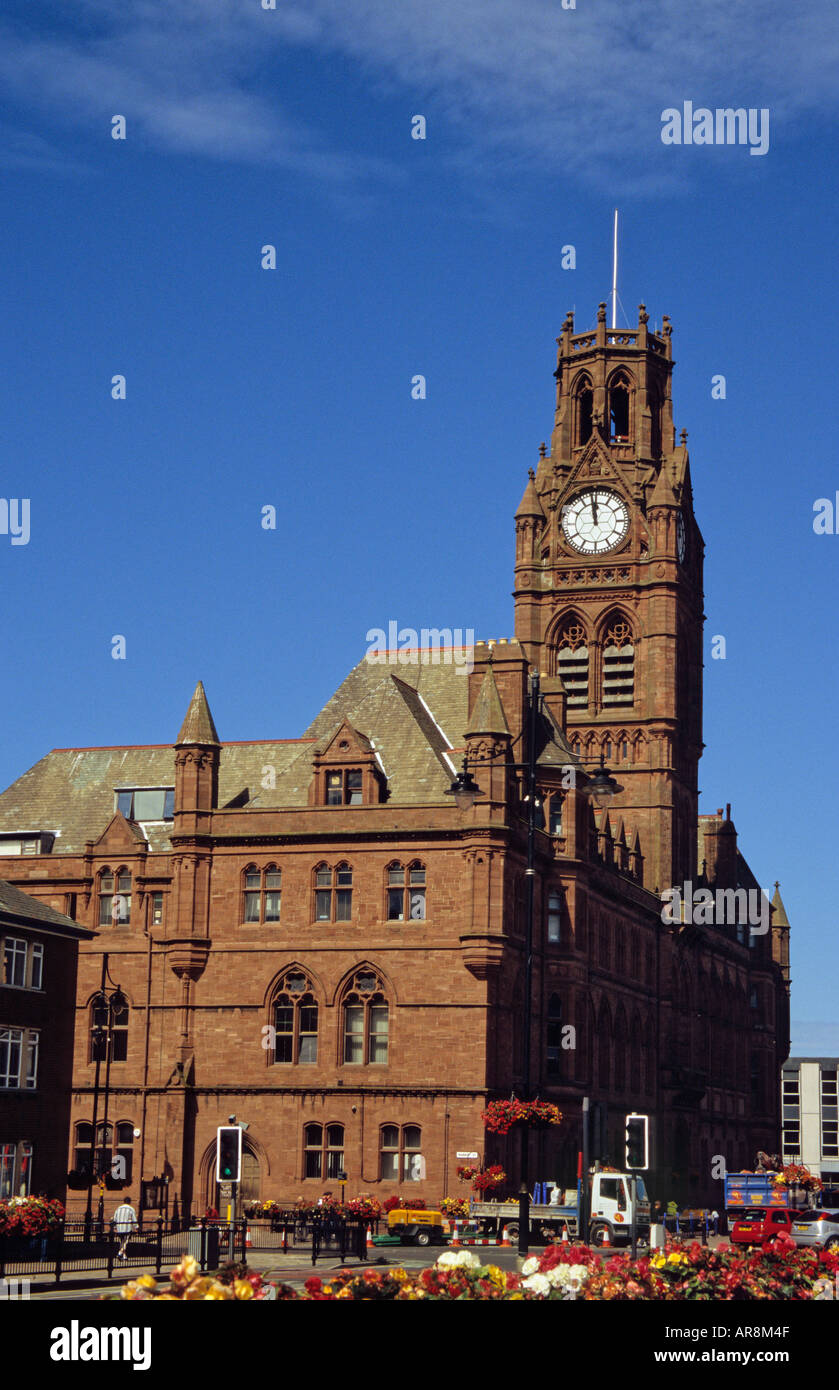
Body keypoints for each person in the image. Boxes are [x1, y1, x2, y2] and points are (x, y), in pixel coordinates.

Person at [113, 1195, 138, 1262]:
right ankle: (119, 1253)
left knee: (121, 1241)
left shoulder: (118, 1208)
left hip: (119, 1227)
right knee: (125, 1242)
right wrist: (136, 1227)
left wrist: (115, 1227)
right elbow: (134, 1219)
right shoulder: (131, 1209)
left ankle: (124, 1257)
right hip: (127, 1228)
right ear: (129, 1202)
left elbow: (114, 1218)